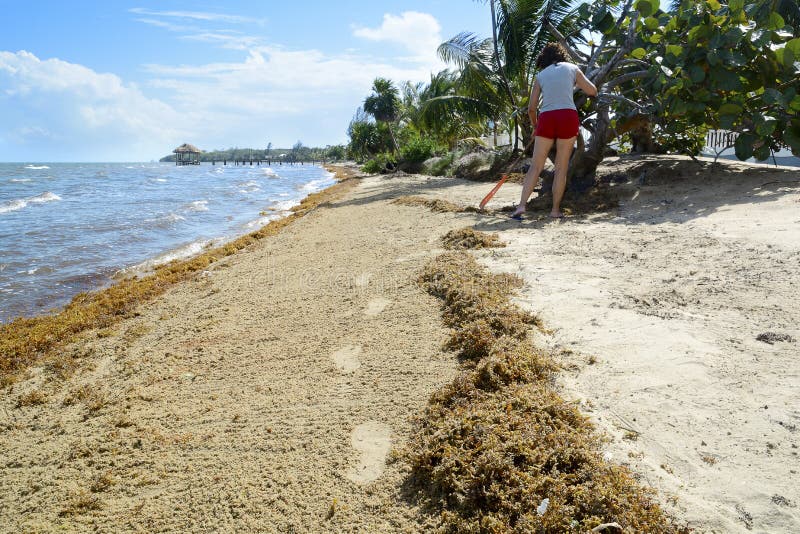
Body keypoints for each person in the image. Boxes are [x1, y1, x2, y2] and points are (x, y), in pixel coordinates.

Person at [511, 43, 597, 219]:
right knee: (561, 168)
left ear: (544, 58)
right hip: (567, 116)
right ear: (562, 55)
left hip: (547, 118)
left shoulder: (541, 75)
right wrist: (574, 85)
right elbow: (592, 90)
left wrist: (536, 127)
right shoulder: (573, 68)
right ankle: (555, 210)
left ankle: (521, 206)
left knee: (535, 166)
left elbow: (531, 108)